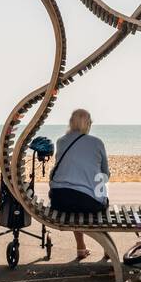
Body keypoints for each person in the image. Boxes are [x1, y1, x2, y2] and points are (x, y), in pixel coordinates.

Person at [48, 109, 109, 261]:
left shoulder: (61, 141)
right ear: (88, 124)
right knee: (100, 193)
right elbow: (105, 174)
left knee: (75, 198)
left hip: (59, 200)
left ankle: (81, 247)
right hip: (87, 202)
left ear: (71, 123)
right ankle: (108, 249)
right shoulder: (97, 142)